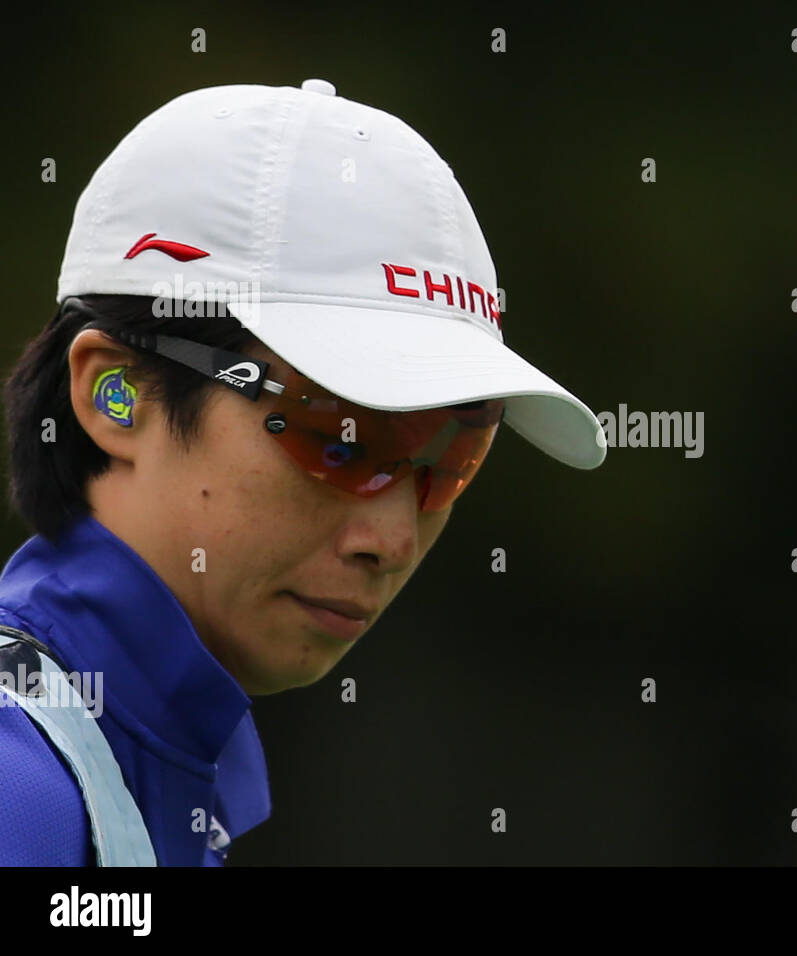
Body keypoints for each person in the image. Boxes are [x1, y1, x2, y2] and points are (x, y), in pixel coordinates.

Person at [0, 79, 606, 866]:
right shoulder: (23, 794)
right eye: (339, 442)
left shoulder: (154, 761)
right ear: (119, 397)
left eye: (452, 462)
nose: (391, 538)